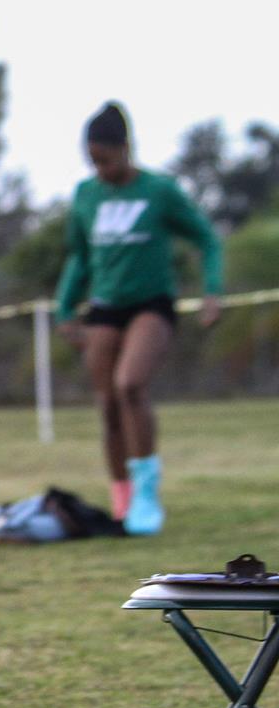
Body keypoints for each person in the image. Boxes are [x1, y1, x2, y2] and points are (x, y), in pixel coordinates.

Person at [55, 102, 223, 536]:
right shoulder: (85, 196)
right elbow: (81, 257)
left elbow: (207, 238)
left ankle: (148, 495)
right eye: (92, 161)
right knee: (108, 405)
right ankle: (122, 500)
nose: (101, 169)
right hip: (104, 307)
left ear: (126, 149)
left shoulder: (159, 191)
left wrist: (212, 291)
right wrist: (64, 307)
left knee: (130, 385)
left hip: (151, 304)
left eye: (105, 159)